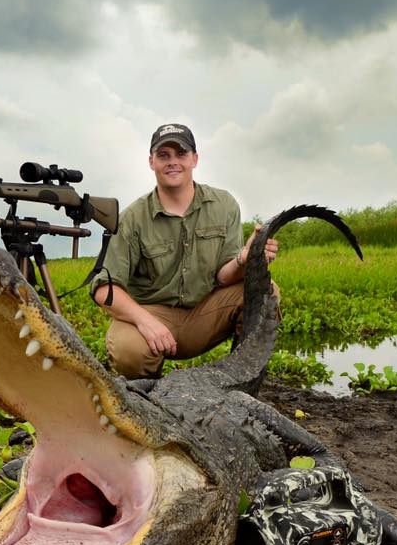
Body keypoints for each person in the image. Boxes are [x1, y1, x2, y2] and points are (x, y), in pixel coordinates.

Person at [91, 123, 279, 379]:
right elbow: (104, 289)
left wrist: (244, 259)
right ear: (151, 162)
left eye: (181, 154)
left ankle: (242, 378)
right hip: (152, 313)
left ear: (194, 159)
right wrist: (146, 321)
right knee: (128, 350)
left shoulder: (224, 205)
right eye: (163, 155)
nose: (173, 162)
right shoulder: (132, 218)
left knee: (265, 290)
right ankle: (146, 393)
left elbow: (224, 277)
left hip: (206, 312)